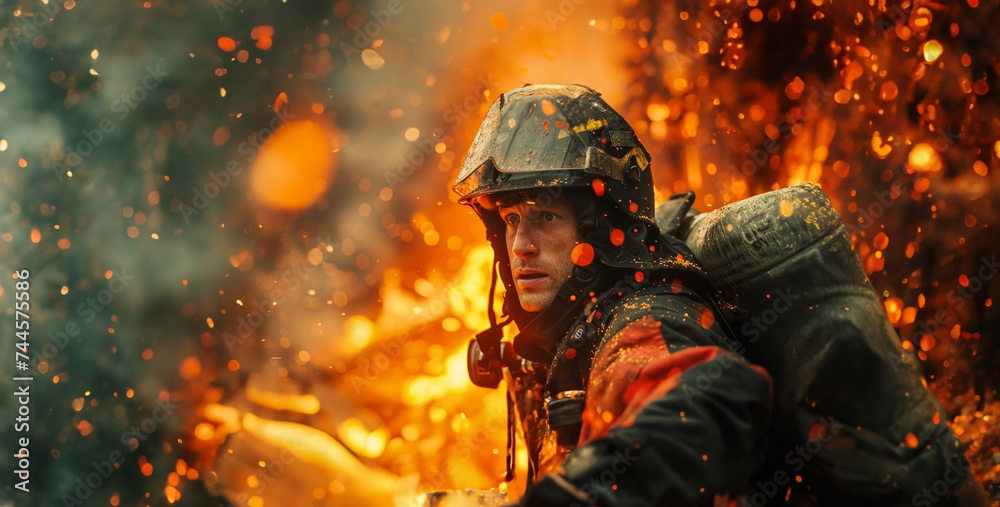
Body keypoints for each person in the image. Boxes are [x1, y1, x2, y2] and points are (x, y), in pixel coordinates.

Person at [453, 83, 774, 506]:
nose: (520, 245)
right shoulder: (574, 327)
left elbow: (706, 399)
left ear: (602, 231)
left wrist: (586, 496)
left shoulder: (643, 322)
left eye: (546, 216)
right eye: (512, 220)